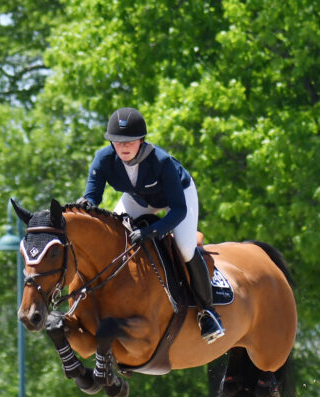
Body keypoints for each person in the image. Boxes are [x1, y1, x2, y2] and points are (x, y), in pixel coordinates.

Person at [75, 107, 224, 343]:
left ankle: (208, 311)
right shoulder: (103, 159)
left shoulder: (161, 161)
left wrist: (151, 231)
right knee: (114, 240)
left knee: (185, 248)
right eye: (118, 141)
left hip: (178, 197)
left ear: (141, 140)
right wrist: (86, 204)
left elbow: (179, 209)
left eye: (130, 141)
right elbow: (93, 196)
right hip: (139, 199)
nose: (124, 146)